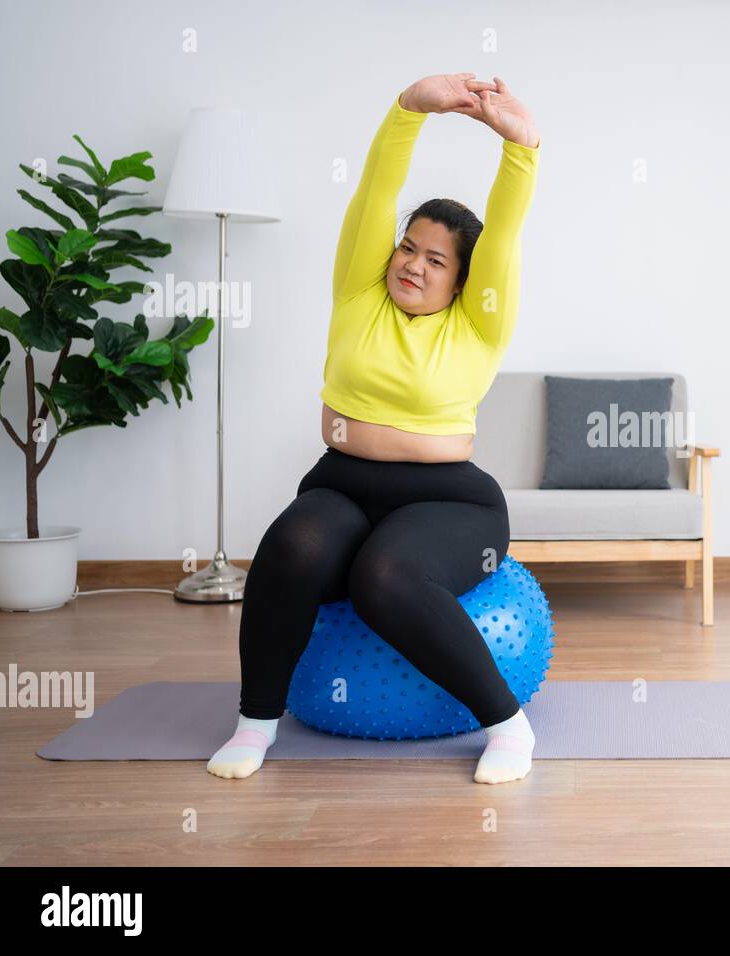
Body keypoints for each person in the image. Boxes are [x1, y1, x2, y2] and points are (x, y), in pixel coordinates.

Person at [207, 72, 541, 784]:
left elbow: (504, 235)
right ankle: (256, 722)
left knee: (383, 575)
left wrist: (520, 149)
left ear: (463, 280)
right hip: (343, 483)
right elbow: (375, 193)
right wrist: (409, 110)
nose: (413, 264)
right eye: (408, 248)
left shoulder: (479, 325)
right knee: (292, 543)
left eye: (435, 259)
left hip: (451, 502)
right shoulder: (360, 291)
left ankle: (509, 727)